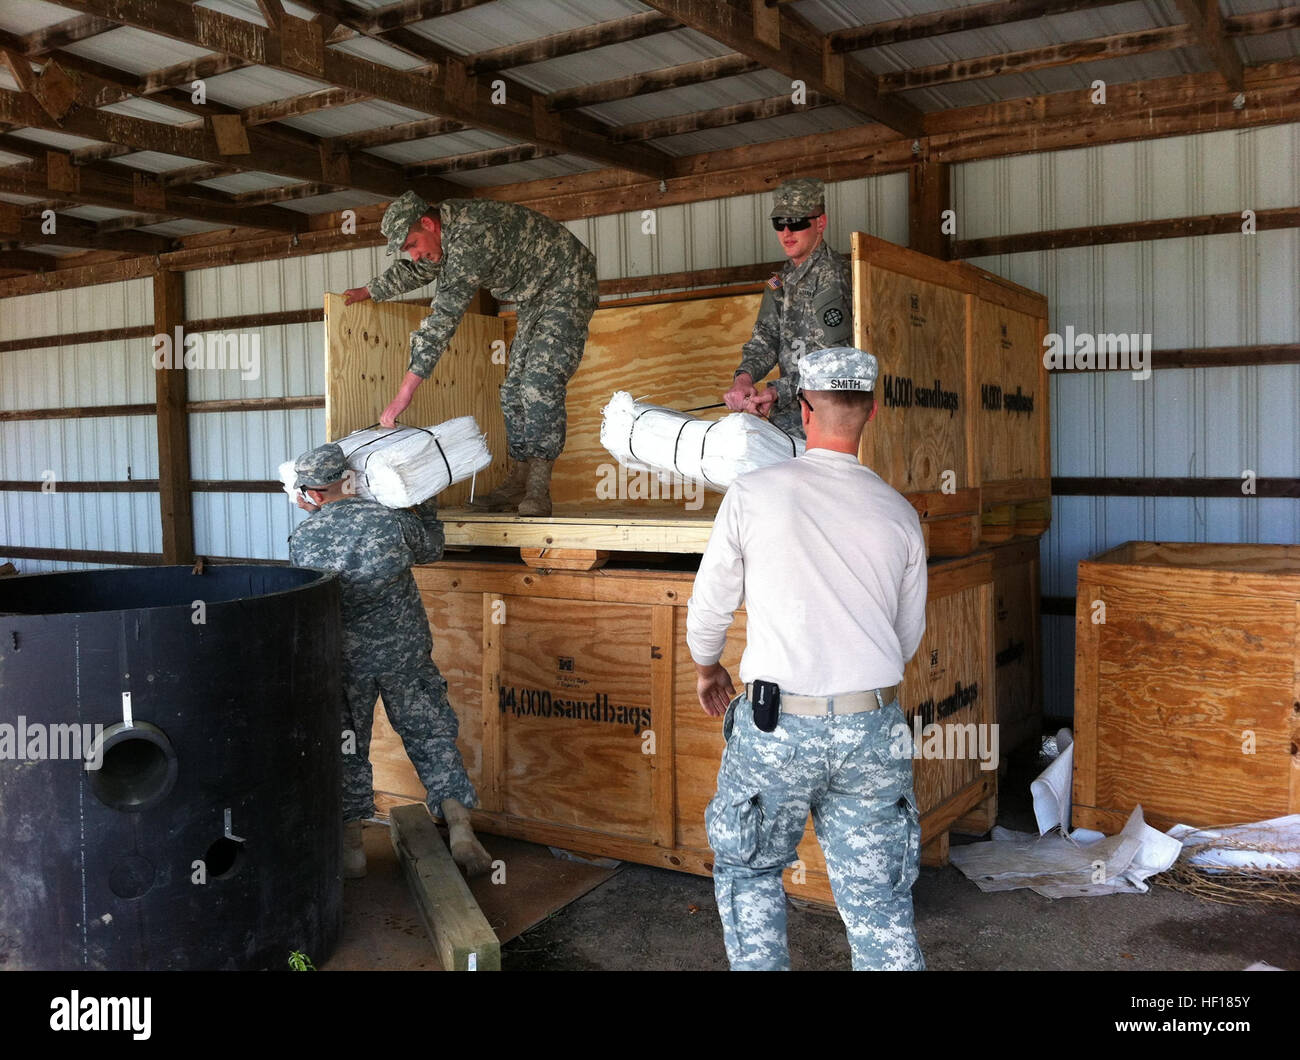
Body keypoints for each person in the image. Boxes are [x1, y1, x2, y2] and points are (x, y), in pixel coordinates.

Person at [687, 346, 928, 971]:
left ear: (802, 409)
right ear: (871, 411)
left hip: (776, 728)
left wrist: (707, 666)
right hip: (873, 727)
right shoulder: (901, 515)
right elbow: (905, 638)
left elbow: (711, 605)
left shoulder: (753, 493)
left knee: (750, 876)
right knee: (879, 903)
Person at [287, 442, 491, 879]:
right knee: (430, 733)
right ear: (349, 479)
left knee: (348, 746)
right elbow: (433, 547)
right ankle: (458, 827)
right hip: (405, 655)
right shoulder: (391, 521)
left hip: (345, 662)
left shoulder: (303, 536)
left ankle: (353, 848)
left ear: (312, 494)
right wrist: (427, 505)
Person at [343, 192, 599, 517]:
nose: (414, 254)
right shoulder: (444, 234)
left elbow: (443, 318)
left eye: (412, 244)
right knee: (513, 391)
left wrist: (403, 394)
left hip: (567, 284)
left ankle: (537, 487)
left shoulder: (470, 235)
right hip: (537, 295)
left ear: (427, 223)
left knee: (539, 384)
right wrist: (370, 290)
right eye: (408, 250)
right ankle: (519, 480)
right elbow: (420, 269)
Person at [722, 177, 853, 439]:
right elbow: (765, 338)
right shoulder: (780, 280)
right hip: (790, 422)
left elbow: (833, 361)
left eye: (797, 223)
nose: (786, 233)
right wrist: (744, 378)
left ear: (820, 223)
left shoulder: (833, 275)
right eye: (779, 223)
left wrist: (775, 391)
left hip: (826, 422)